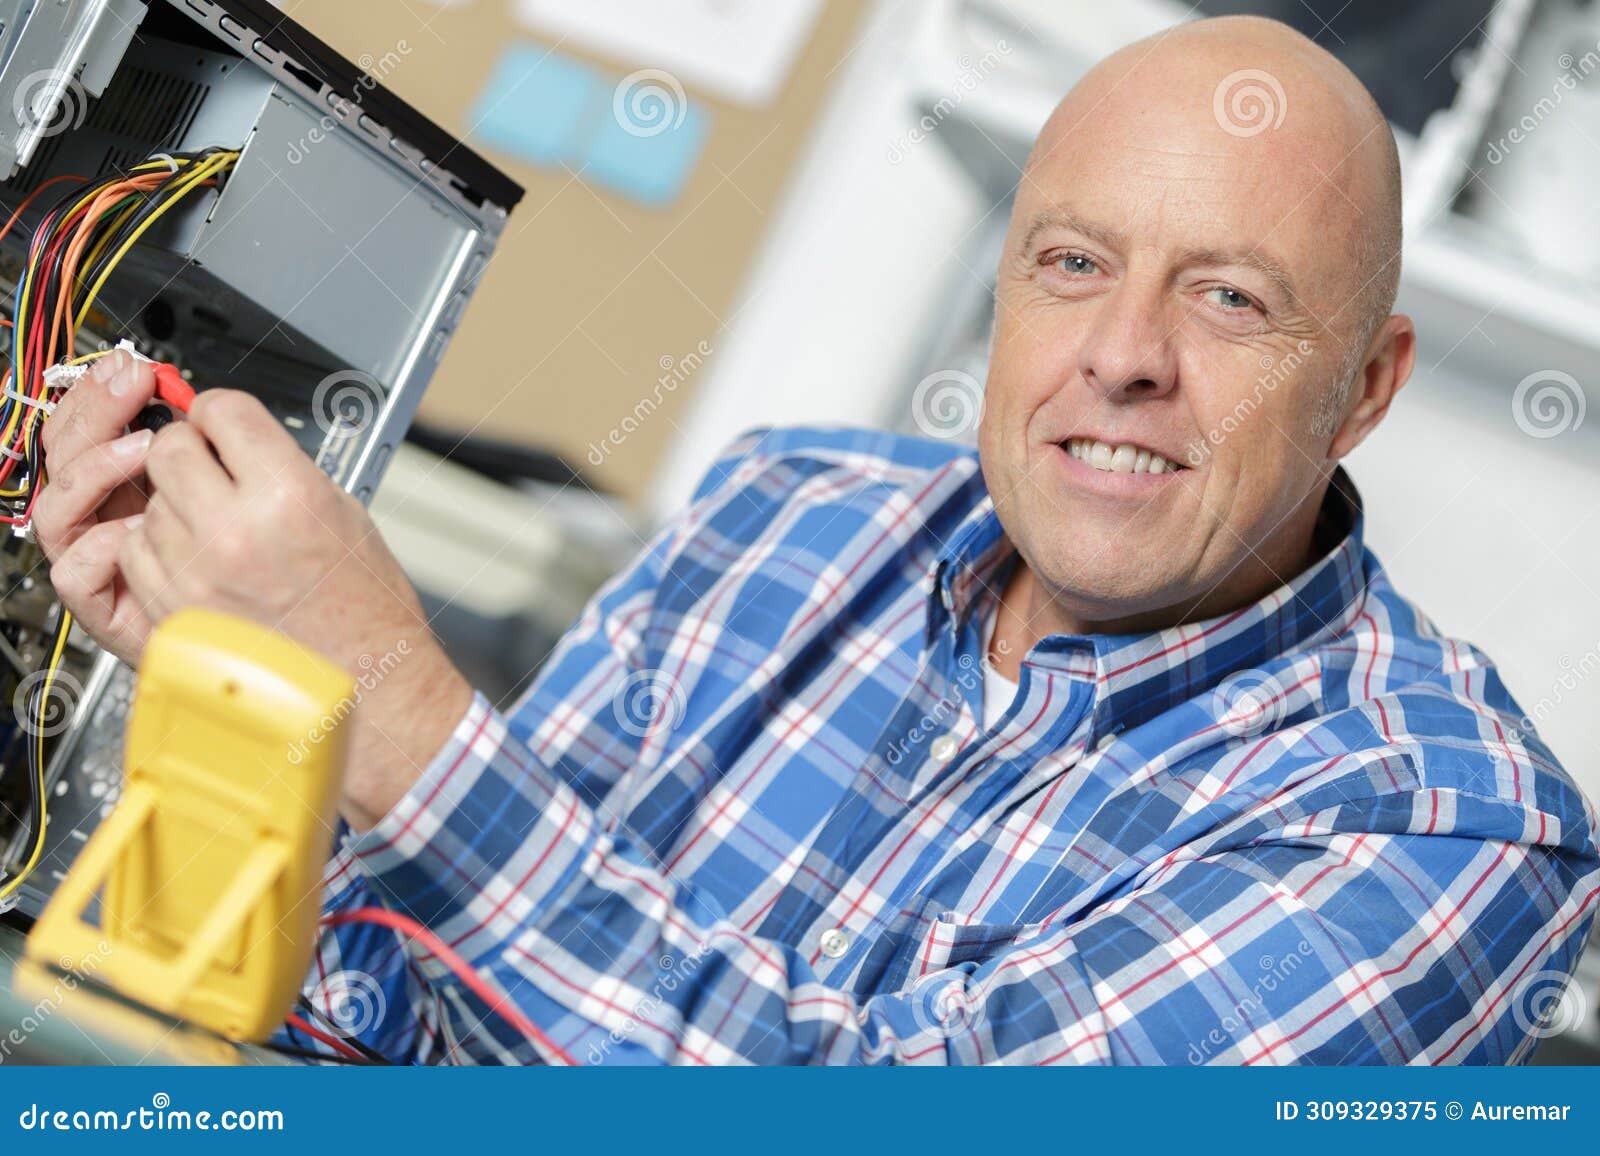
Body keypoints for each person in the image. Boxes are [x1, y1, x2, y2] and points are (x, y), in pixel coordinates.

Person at [33, 14, 1597, 1063]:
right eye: (1069, 262)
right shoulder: (787, 509)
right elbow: (413, 1010)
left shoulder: (1444, 825)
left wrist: (395, 706)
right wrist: (250, 697)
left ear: (1365, 389)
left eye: (1231, 298)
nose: (1122, 353)